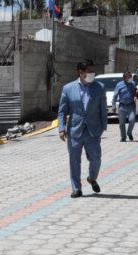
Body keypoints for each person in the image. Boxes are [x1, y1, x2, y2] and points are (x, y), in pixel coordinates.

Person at [59, 60, 108, 198]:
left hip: (93, 130)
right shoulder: (68, 88)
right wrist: (61, 128)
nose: (92, 73)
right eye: (89, 71)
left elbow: (102, 108)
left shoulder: (99, 87)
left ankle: (92, 178)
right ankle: (76, 188)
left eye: (93, 70)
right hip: (75, 130)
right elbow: (62, 111)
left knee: (96, 158)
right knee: (74, 160)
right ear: (80, 73)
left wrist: (103, 126)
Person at [113, 72, 137, 142]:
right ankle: (123, 136)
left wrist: (135, 96)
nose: (130, 79)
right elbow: (115, 96)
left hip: (131, 105)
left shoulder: (133, 83)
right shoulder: (119, 85)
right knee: (121, 123)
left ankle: (129, 133)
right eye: (128, 77)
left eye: (130, 77)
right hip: (122, 106)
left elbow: (135, 92)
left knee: (132, 120)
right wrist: (114, 105)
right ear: (124, 78)